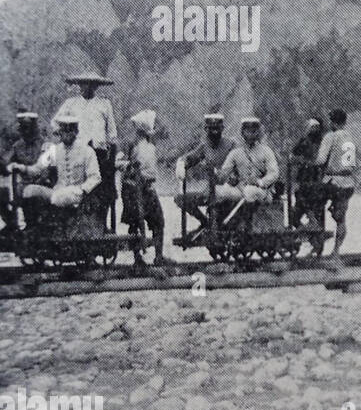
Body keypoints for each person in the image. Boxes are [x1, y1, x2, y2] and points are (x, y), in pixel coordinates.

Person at [55, 71, 118, 226]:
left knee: (103, 189)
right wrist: (64, 134)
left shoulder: (104, 104)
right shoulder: (71, 103)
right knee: (77, 187)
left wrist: (112, 151)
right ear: (79, 85)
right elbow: (55, 123)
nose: (86, 87)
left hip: (100, 153)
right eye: (83, 84)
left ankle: (100, 224)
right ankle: (76, 223)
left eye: (91, 84)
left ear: (96, 86)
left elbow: (112, 132)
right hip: (78, 152)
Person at [13, 115, 101, 213]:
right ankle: (34, 225)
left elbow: (95, 177)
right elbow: (37, 169)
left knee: (59, 199)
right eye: (64, 131)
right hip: (57, 192)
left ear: (76, 132)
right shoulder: (54, 150)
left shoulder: (87, 151)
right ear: (60, 132)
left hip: (77, 194)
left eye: (70, 131)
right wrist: (22, 168)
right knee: (29, 190)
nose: (67, 134)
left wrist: (83, 189)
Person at [117, 110, 166, 265]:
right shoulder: (129, 144)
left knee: (158, 221)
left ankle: (159, 257)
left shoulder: (151, 146)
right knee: (134, 223)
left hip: (148, 188)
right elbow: (118, 162)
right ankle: (137, 258)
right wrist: (130, 165)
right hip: (132, 189)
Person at [175, 114, 237, 228]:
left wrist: (232, 177)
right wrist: (182, 163)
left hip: (229, 189)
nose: (214, 132)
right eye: (211, 128)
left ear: (222, 129)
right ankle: (205, 222)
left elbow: (239, 163)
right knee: (180, 199)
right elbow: (191, 158)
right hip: (210, 191)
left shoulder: (231, 145)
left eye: (217, 128)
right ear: (206, 129)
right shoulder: (205, 146)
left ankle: (217, 223)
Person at [316, 109, 357, 256]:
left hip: (332, 181)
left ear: (332, 122)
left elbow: (320, 160)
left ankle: (316, 237)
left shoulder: (330, 137)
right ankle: (336, 251)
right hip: (348, 183)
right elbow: (351, 164)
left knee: (314, 203)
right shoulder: (350, 138)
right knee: (341, 219)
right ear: (344, 122)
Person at [217, 117, 279, 204]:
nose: (251, 135)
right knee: (221, 191)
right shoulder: (235, 153)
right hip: (240, 189)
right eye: (248, 131)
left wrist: (260, 182)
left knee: (250, 191)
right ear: (242, 133)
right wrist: (228, 178)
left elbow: (274, 173)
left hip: (261, 191)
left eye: (254, 131)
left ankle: (248, 217)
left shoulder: (267, 151)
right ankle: (225, 217)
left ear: (258, 133)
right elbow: (224, 172)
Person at [1, 112, 46, 231]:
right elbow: (6, 162)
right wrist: (8, 165)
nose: (25, 132)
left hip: (42, 182)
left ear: (34, 128)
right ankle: (11, 225)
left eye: (28, 128)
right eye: (22, 129)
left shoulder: (43, 144)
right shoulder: (18, 146)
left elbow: (48, 168)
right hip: (22, 184)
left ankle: (34, 226)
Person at [288, 117, 327, 233]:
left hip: (316, 177)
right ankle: (304, 226)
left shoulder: (322, 142)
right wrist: (302, 160)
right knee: (300, 199)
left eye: (316, 127)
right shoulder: (304, 141)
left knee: (310, 200)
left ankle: (312, 223)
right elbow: (292, 156)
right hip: (305, 176)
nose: (314, 130)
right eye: (312, 127)